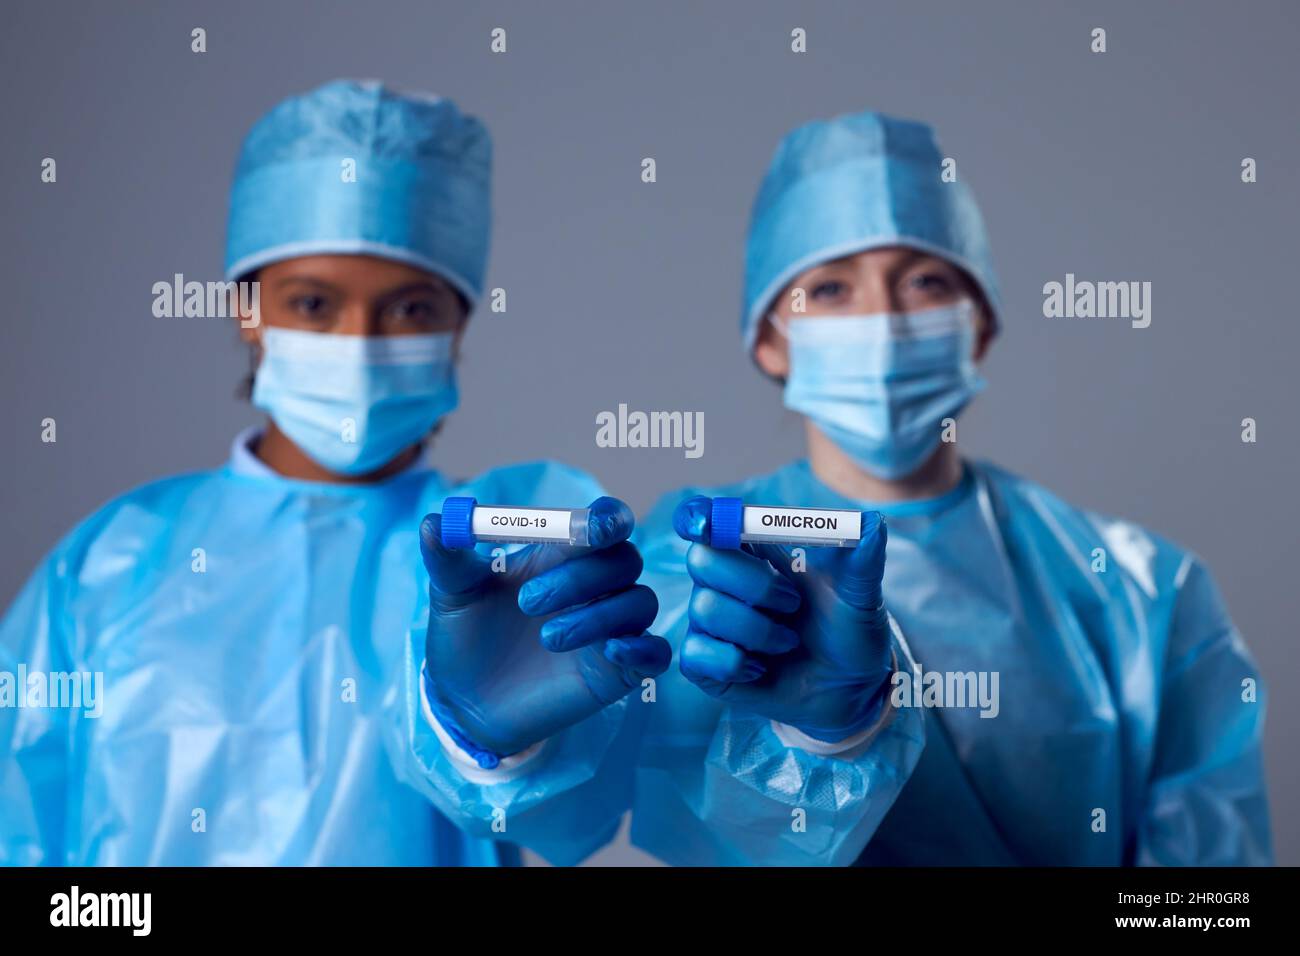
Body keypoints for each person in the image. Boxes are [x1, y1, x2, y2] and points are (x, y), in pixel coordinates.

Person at [0, 79, 668, 866]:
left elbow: (579, 821)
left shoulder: (506, 565)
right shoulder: (109, 561)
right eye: (313, 304)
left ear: (460, 323)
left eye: (411, 308)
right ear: (246, 309)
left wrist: (492, 750)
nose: (360, 340)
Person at [631, 110, 1273, 866]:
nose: (885, 324)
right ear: (769, 337)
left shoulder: (1145, 590)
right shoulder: (695, 573)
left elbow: (1209, 904)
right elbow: (622, 807)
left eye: (926, 281)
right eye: (832, 289)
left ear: (981, 324)